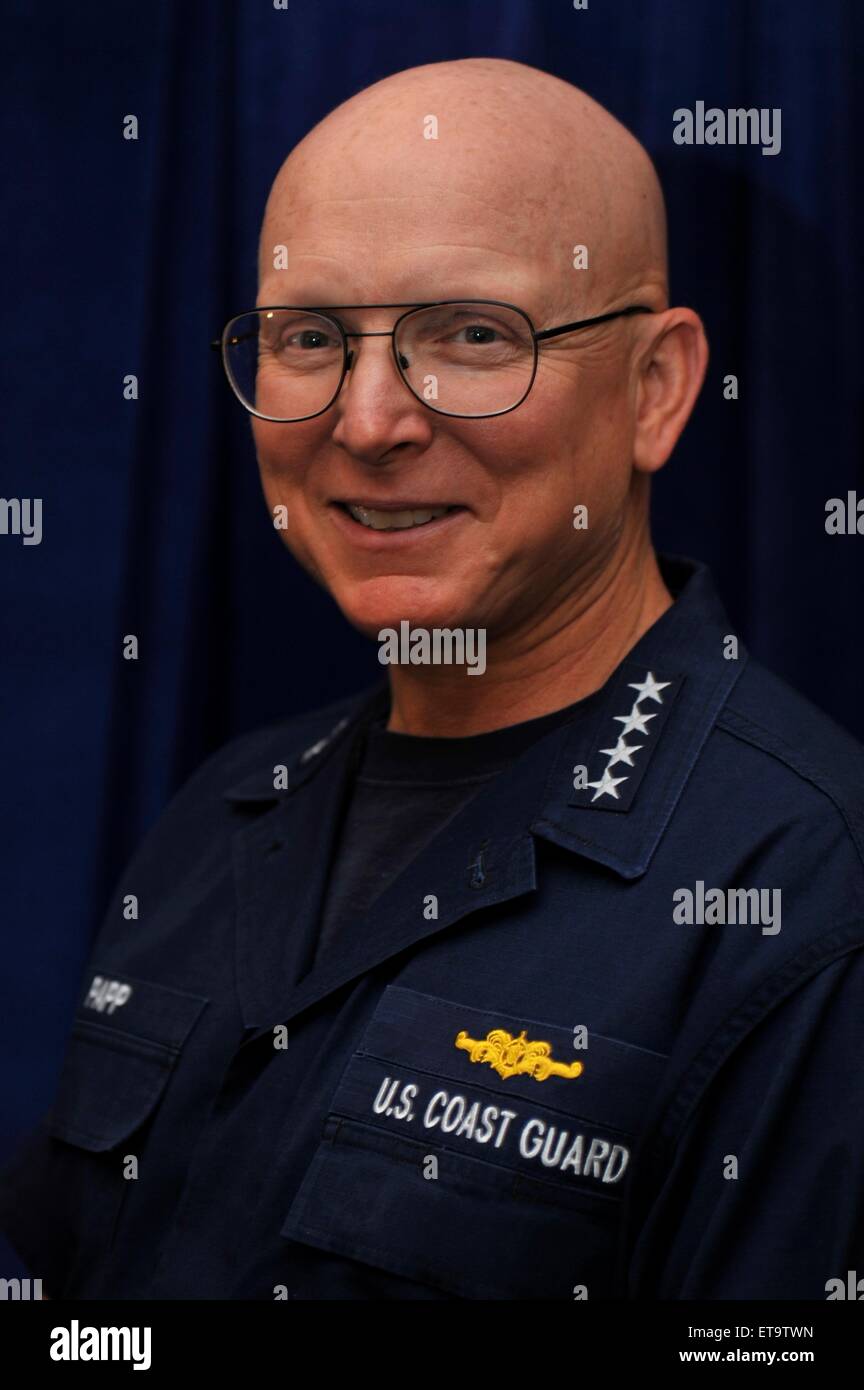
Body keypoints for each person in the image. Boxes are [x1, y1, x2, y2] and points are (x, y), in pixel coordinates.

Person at [3, 57, 863, 1301]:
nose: (366, 422)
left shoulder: (802, 900)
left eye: (470, 334)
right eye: (310, 337)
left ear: (655, 390)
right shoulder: (227, 812)